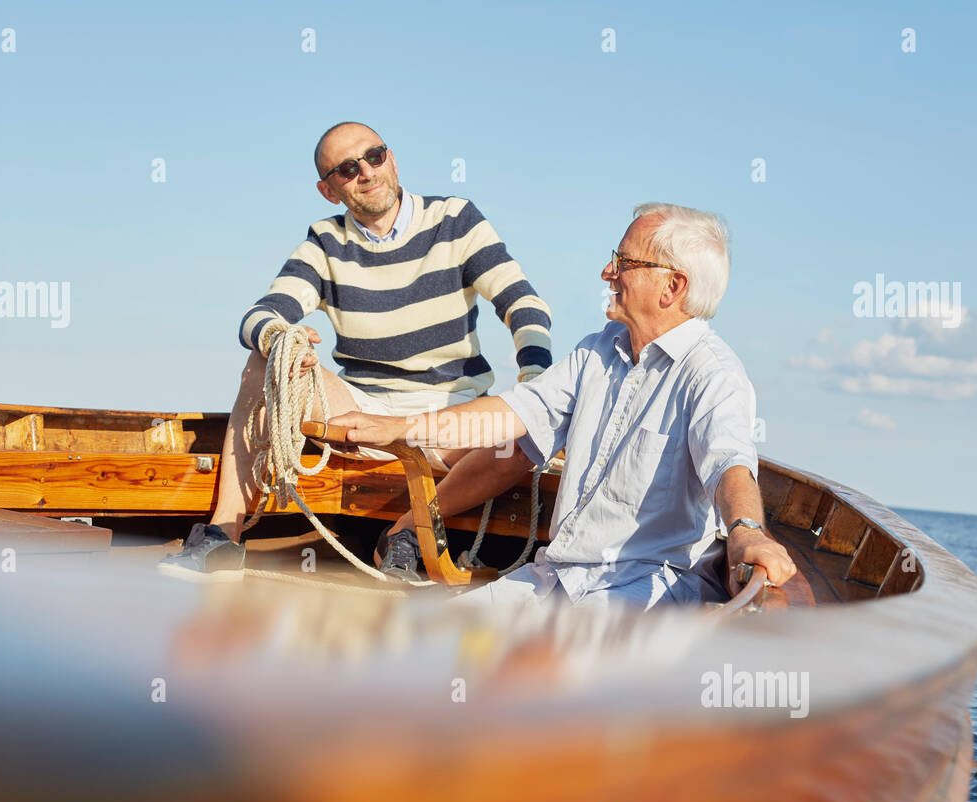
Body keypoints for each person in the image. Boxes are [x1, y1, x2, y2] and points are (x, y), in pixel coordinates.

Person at [327, 203, 797, 609]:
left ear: (672, 286)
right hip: (552, 580)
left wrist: (747, 530)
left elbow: (730, 465)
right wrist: (395, 428)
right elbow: (510, 415)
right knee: (420, 642)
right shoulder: (598, 349)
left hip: (637, 592)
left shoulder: (713, 374)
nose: (607, 272)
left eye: (623, 261)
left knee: (537, 670)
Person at [158, 122, 552, 580]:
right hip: (361, 416)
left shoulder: (455, 219)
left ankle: (403, 534)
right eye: (348, 169)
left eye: (375, 155)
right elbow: (258, 316)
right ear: (329, 190)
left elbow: (523, 303)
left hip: (451, 419)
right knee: (268, 357)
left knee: (521, 437)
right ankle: (222, 539)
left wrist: (534, 379)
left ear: (393, 159)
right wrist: (281, 339)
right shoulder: (325, 242)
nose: (366, 171)